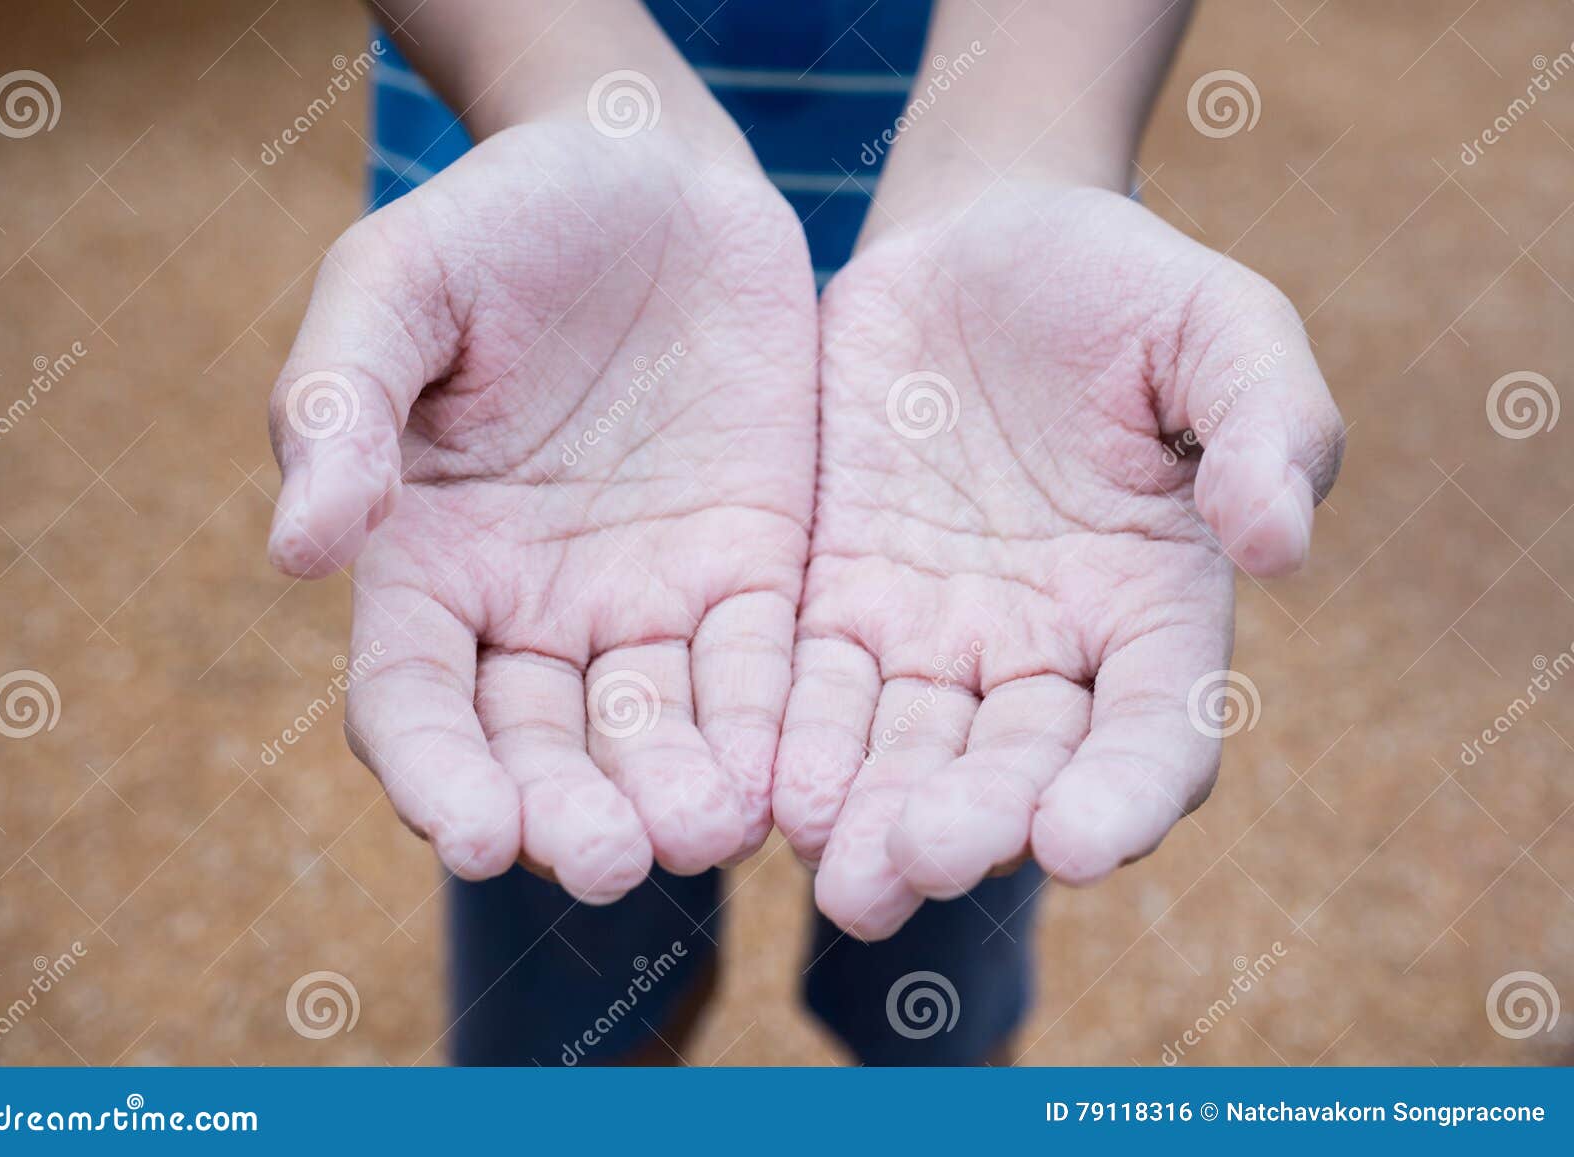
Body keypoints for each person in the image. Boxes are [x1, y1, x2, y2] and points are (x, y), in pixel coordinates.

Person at [264, 0, 1345, 1065]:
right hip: (548, 322)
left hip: (1012, 400)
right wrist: (566, 84)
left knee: (956, 868)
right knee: (571, 934)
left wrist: (1028, 147)